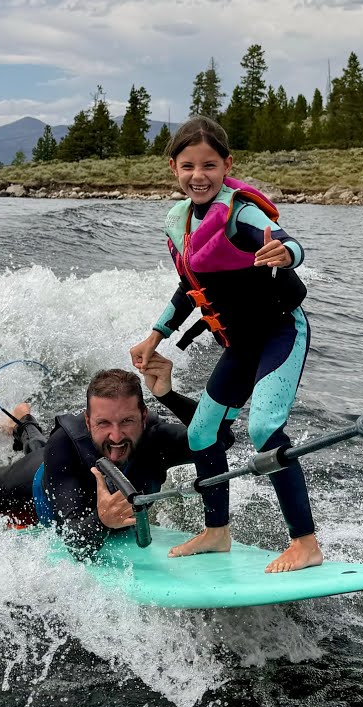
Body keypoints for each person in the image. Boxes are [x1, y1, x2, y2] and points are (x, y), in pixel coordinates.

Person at [129, 115, 322, 574]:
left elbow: (288, 242)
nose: (199, 176)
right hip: (241, 343)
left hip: (280, 332)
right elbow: (188, 288)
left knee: (263, 430)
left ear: (226, 165)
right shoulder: (180, 221)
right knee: (201, 434)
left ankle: (306, 543)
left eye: (210, 165)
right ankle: (217, 532)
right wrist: (156, 336)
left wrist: (285, 252)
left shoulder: (241, 211)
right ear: (173, 167)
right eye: (189, 166)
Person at [0, 354, 218, 559]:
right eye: (104, 424)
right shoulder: (67, 446)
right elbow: (74, 541)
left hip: (57, 464)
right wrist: (102, 520)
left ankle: (23, 420)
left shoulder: (157, 439)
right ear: (87, 422)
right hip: (35, 488)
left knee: (41, 446)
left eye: (126, 421)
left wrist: (168, 395)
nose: (116, 437)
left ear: (143, 415)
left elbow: (220, 439)